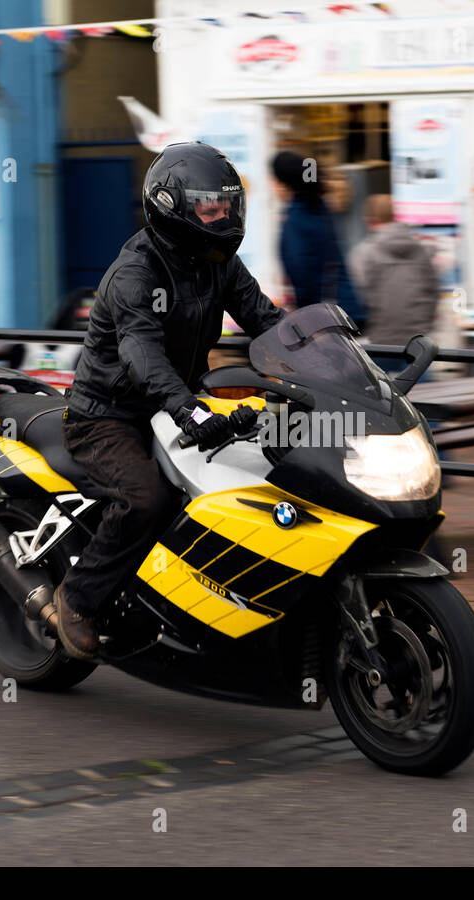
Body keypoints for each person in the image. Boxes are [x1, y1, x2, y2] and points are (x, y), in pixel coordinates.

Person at [56, 142, 286, 660]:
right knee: (147, 499)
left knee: (246, 485)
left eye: (229, 205)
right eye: (211, 207)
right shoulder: (134, 274)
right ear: (172, 207)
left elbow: (266, 321)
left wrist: (331, 358)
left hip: (175, 405)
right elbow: (141, 354)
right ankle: (78, 596)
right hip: (108, 415)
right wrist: (190, 409)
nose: (223, 215)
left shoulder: (219, 262)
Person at [347, 193, 440, 374]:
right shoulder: (420, 250)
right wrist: (424, 326)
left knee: (376, 396)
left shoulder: (365, 253)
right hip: (417, 341)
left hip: (380, 342)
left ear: (369, 219)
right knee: (423, 396)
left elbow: (356, 295)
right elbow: (433, 291)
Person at [270, 150, 366, 323]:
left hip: (325, 319)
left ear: (284, 183)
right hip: (347, 308)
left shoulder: (296, 220)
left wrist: (304, 318)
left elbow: (303, 277)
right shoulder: (320, 208)